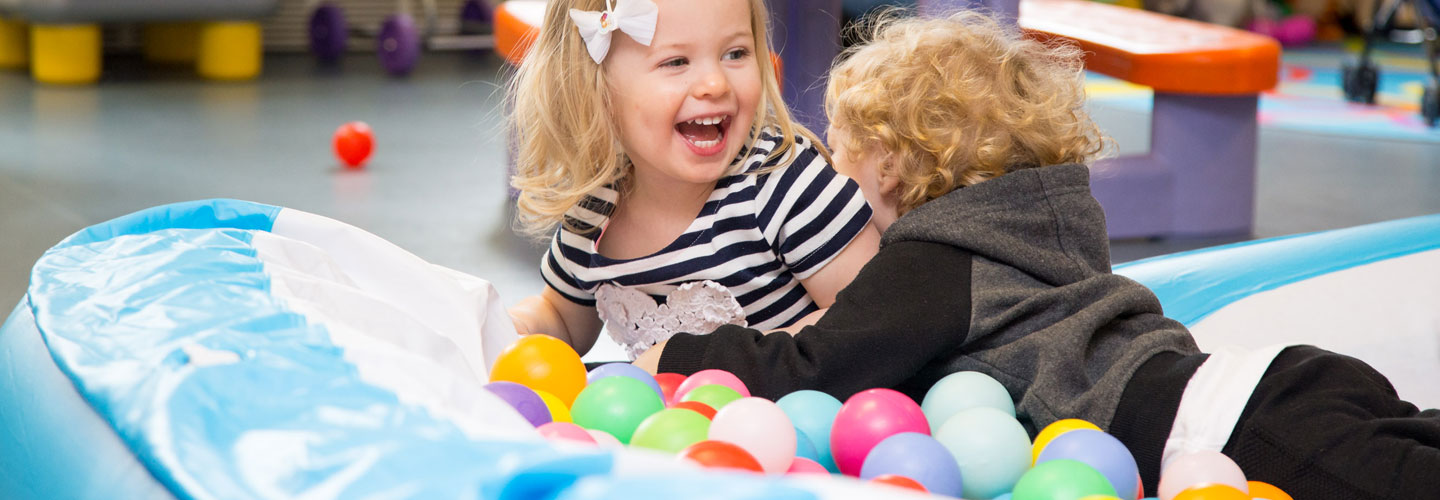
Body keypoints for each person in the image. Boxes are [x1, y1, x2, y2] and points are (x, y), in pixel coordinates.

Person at [634, 10, 1440, 498]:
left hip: (1224, 428)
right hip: (1282, 380)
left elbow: (820, 369)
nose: (839, 185)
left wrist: (682, 350)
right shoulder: (1042, 220)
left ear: (888, 161)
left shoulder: (937, 261)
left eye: (845, 161)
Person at [505, 0, 881, 360]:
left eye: (735, 53)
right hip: (680, 426)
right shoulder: (594, 216)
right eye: (676, 61)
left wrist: (709, 361)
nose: (715, 84)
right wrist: (512, 330)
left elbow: (873, 315)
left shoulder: (783, 182)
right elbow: (560, 321)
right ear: (595, 90)